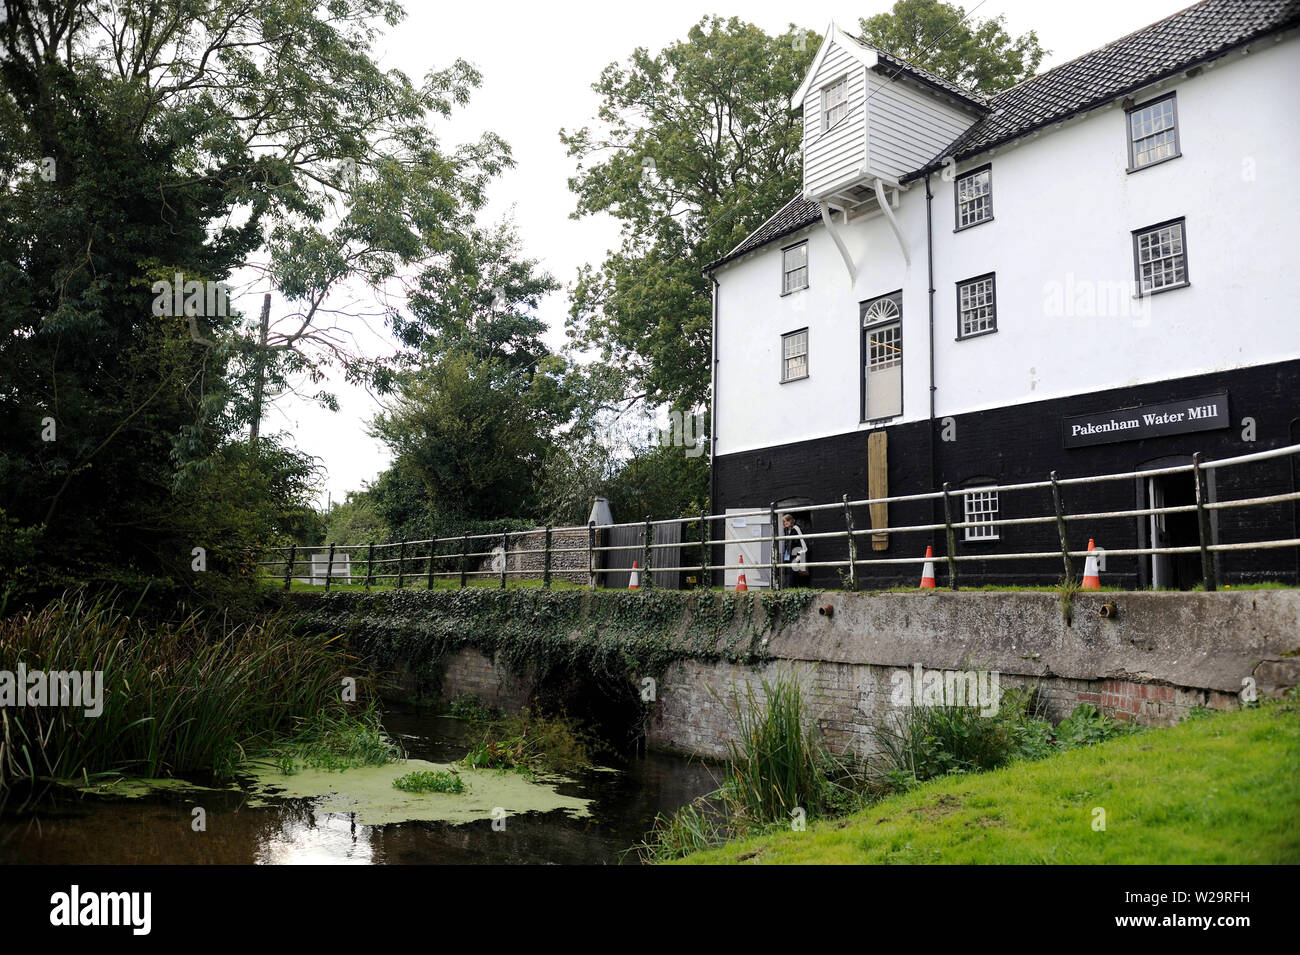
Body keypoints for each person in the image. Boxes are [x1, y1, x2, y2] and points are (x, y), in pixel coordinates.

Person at [779, 513, 809, 589]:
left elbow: (803, 542)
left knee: (794, 574)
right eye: (784, 521)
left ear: (791, 521)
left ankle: (793, 590)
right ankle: (789, 590)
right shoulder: (785, 530)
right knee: (788, 573)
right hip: (788, 555)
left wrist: (800, 555)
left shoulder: (796, 528)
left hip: (796, 554)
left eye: (787, 521)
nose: (785, 523)